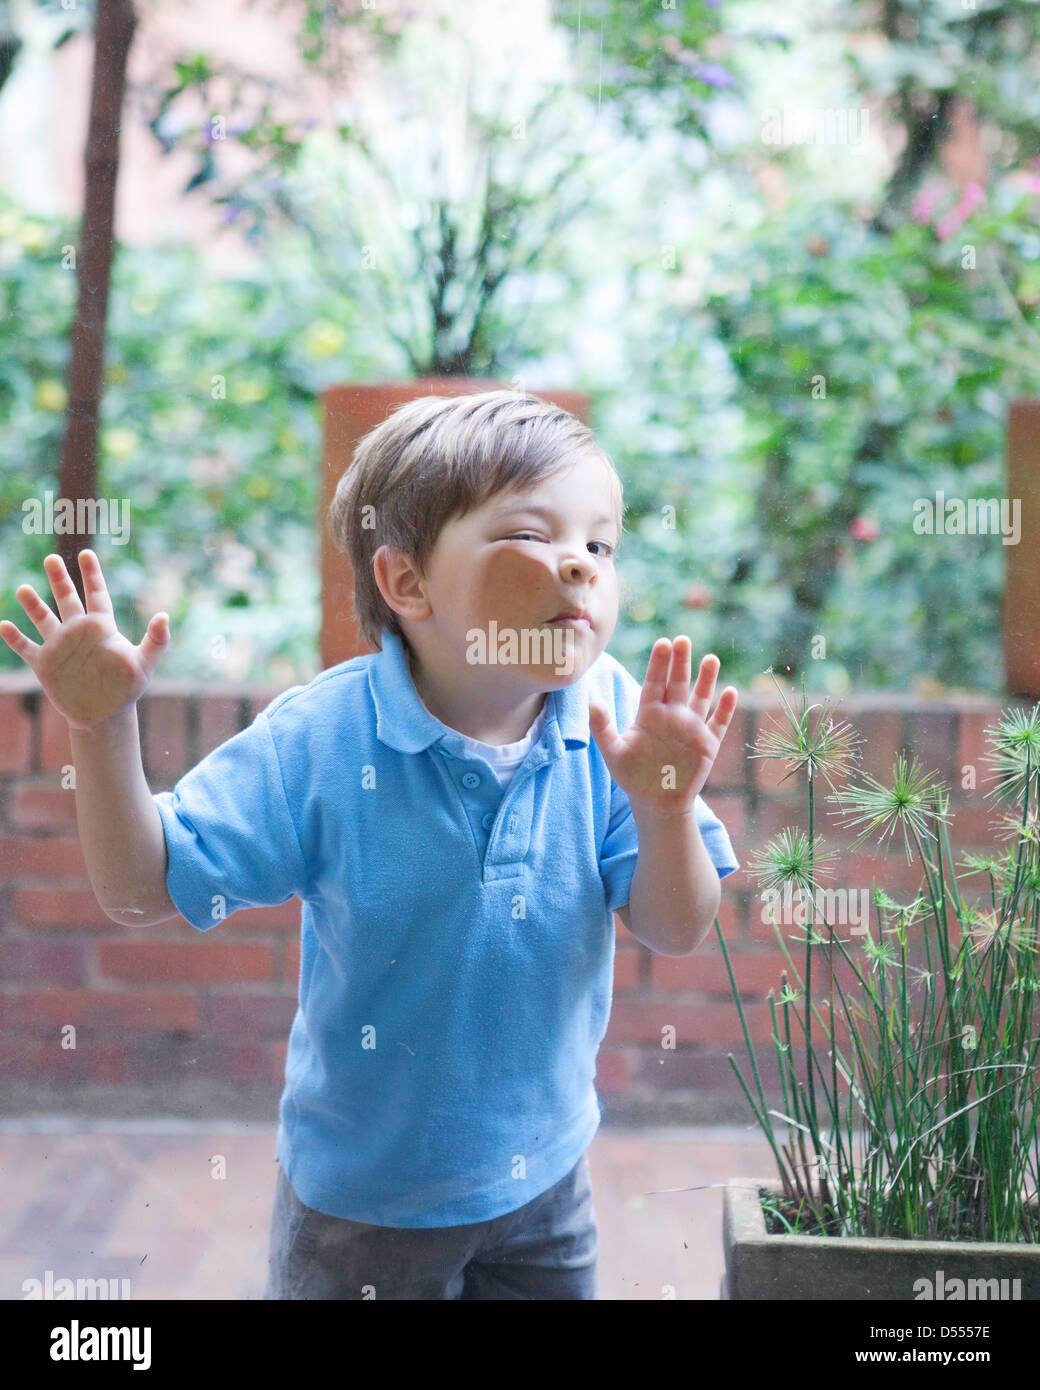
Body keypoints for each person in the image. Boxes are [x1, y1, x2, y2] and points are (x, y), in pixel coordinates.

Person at [0, 389, 740, 1300]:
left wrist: (667, 807)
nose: (582, 567)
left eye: (600, 544)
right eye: (529, 536)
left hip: (547, 1182)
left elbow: (676, 928)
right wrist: (103, 725)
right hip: (365, 1215)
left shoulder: (617, 712)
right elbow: (143, 888)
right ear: (407, 583)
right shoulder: (321, 739)